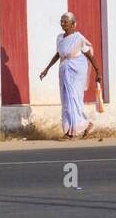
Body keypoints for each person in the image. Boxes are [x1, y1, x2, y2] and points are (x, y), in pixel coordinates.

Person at [38, 11, 101, 139]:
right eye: (61, 21)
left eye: (65, 21)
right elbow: (58, 54)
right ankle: (82, 126)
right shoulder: (60, 38)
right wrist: (47, 68)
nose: (62, 23)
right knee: (66, 101)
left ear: (73, 24)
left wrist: (98, 72)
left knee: (75, 100)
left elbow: (90, 56)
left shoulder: (79, 38)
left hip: (77, 72)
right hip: (64, 71)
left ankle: (71, 132)